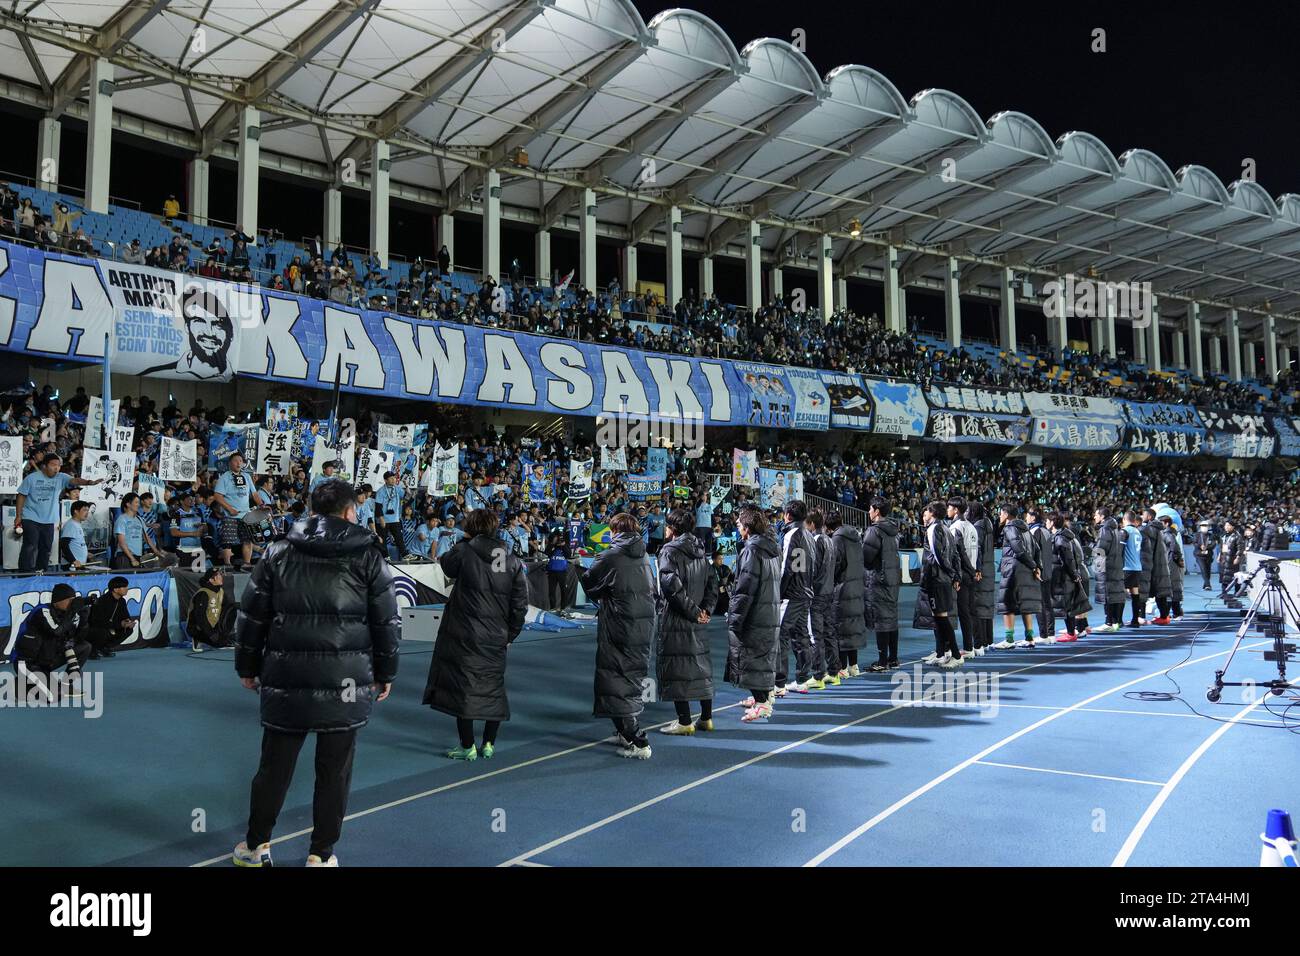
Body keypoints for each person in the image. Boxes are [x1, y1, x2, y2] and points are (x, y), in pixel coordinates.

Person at [233, 478, 400, 868]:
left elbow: (251, 616)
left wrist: (247, 666)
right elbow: (387, 622)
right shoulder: (370, 557)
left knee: (273, 768)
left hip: (286, 678)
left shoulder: (276, 552)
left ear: (312, 510)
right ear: (349, 512)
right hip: (347, 681)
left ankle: (257, 846)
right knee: (335, 773)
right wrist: (386, 671)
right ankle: (320, 854)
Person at [423, 508, 529, 761]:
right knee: (493, 687)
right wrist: (510, 635)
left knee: (465, 687)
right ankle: (489, 743)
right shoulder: (512, 559)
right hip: (496, 634)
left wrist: (465, 540)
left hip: (465, 631)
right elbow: (520, 605)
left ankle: (468, 745)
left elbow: (447, 565)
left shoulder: (465, 550)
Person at [580, 512, 655, 759]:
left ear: (615, 531)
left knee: (615, 679)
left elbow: (590, 582)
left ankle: (638, 740)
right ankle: (624, 732)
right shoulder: (643, 555)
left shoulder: (611, 555)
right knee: (630, 677)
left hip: (618, 625)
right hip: (643, 626)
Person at [656, 507, 718, 734]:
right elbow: (713, 583)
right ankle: (706, 718)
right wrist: (706, 611)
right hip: (698, 620)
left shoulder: (669, 551)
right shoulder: (701, 550)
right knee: (701, 667)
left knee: (677, 668)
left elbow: (672, 587)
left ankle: (684, 721)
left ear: (672, 528)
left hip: (677, 619)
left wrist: (693, 611)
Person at [725, 506, 782, 722]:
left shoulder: (751, 550)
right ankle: (764, 696)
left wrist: (735, 617)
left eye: (739, 523)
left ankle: (762, 704)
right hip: (769, 610)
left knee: (750, 657)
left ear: (747, 527)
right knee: (762, 656)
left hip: (756, 613)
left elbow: (745, 589)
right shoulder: (772, 548)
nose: (737, 526)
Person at [15, 453, 100, 571]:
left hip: (49, 519)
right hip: (30, 517)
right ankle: (24, 572)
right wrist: (18, 515)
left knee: (46, 548)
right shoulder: (32, 478)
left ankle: (41, 571)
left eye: (59, 465)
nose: (56, 468)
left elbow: (75, 480)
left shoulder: (61, 477)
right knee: (31, 545)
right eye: (53, 465)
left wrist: (89, 482)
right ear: (44, 465)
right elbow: (21, 496)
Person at [12, 583, 89, 699]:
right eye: (69, 600)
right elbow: (56, 631)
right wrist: (72, 613)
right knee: (54, 696)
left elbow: (75, 640)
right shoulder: (42, 611)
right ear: (57, 600)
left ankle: (65, 685)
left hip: (46, 661)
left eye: (74, 600)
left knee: (85, 647)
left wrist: (83, 619)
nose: (72, 604)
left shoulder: (66, 614)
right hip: (26, 663)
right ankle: (21, 685)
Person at [777, 499, 818, 693]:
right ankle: (802, 679)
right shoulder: (810, 536)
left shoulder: (791, 534)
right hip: (806, 591)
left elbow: (787, 567)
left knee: (780, 635)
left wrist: (779, 592)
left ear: (788, 515)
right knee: (800, 635)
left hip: (792, 593)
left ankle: (779, 683)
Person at [917, 501, 962, 668]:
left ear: (933, 513)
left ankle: (956, 655)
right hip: (943, 579)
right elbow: (955, 554)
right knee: (939, 618)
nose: (924, 515)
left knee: (942, 619)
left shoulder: (933, 529)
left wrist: (951, 573)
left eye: (926, 512)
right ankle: (944, 653)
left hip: (937, 578)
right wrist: (956, 576)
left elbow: (937, 555)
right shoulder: (946, 528)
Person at [994, 504, 1042, 648]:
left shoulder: (1010, 528)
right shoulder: (1026, 528)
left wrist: (1034, 566)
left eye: (1001, 513)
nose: (999, 516)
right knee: (1025, 603)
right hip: (1027, 569)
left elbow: (1018, 550)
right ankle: (1029, 638)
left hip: (1013, 569)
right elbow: (1037, 548)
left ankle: (1009, 640)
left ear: (1007, 514)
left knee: (1007, 603)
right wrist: (1036, 566)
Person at [825, 511, 865, 679]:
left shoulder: (837, 539)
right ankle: (853, 665)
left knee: (840, 627)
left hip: (842, 587)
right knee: (852, 626)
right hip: (857, 584)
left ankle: (841, 667)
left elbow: (837, 563)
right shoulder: (855, 536)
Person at [863, 496, 901, 672]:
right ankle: (893, 658)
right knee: (891, 618)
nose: (869, 511)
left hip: (879, 579)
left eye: (871, 509)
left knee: (881, 621)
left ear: (877, 511)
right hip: (892, 578)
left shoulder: (874, 531)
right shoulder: (893, 531)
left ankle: (882, 661)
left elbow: (867, 557)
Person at [805, 508, 836, 684]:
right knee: (829, 632)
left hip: (817, 594)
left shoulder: (816, 541)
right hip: (829, 591)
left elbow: (815, 569)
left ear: (811, 524)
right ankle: (834, 672)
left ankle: (818, 675)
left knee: (816, 635)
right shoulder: (829, 540)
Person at [1050, 512, 1092, 642]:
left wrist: (1074, 574)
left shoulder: (1062, 539)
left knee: (1069, 603)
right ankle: (1083, 627)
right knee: (1078, 602)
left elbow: (1068, 560)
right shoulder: (1072, 538)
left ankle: (1076, 630)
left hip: (1073, 573)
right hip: (1080, 571)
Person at [947, 496, 980, 657]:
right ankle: (972, 645)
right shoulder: (971, 527)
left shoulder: (956, 527)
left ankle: (968, 647)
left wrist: (967, 571)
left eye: (950, 507)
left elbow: (959, 552)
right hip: (971, 573)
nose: (948, 510)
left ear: (956, 510)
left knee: (963, 612)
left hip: (964, 574)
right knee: (969, 610)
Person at [213, 452, 255, 567]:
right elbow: (217, 496)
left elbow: (254, 494)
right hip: (229, 515)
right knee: (227, 542)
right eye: (236, 460)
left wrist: (261, 505)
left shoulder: (247, 476)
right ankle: (227, 565)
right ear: (230, 463)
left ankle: (247, 563)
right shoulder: (224, 477)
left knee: (248, 540)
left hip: (246, 515)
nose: (239, 463)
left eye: (241, 461)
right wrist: (229, 508)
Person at [968, 501, 996, 654]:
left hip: (981, 570)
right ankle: (987, 640)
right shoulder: (988, 524)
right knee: (986, 606)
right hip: (989, 568)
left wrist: (976, 568)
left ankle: (978, 643)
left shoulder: (978, 526)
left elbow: (976, 548)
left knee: (977, 606)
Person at [1026, 505, 1057, 645]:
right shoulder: (1045, 530)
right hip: (1048, 571)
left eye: (1028, 515)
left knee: (1040, 604)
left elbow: (1033, 553)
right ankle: (1051, 634)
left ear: (1033, 517)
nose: (1026, 517)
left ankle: (1043, 634)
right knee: (1047, 603)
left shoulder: (1034, 531)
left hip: (1039, 572)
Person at [1092, 507, 1127, 632]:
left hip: (1108, 566)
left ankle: (1109, 622)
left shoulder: (1105, 529)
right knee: (1115, 593)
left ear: (1102, 516)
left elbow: (1101, 549)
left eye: (1096, 515)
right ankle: (1116, 621)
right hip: (1116, 564)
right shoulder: (1115, 529)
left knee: (1108, 594)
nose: (1094, 517)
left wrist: (1098, 567)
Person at [85, 576, 134, 659]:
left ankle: (104, 648)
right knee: (102, 632)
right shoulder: (101, 601)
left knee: (128, 630)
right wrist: (120, 624)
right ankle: (93, 650)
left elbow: (125, 616)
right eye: (124, 587)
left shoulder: (122, 601)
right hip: (95, 629)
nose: (127, 589)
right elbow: (96, 622)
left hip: (112, 626)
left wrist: (128, 622)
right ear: (115, 589)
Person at [188, 568, 237, 650]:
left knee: (232, 609)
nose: (221, 577)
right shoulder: (203, 593)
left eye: (220, 574)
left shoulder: (220, 591)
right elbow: (200, 617)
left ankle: (222, 637)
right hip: (199, 628)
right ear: (211, 580)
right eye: (218, 575)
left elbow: (228, 608)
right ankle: (197, 638)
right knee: (219, 643)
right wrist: (211, 634)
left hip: (214, 626)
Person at [1143, 508, 1173, 625]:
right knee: (1161, 592)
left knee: (1158, 593)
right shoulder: (1159, 529)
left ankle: (1164, 616)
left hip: (1155, 565)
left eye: (1144, 514)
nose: (1142, 516)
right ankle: (1164, 616)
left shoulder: (1150, 529)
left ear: (1149, 517)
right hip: (1160, 563)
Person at [1121, 510, 1146, 627]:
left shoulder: (1125, 531)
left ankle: (1117, 621)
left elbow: (1120, 550)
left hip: (1127, 567)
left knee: (1119, 593)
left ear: (1124, 520)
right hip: (1137, 566)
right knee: (1135, 593)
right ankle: (1135, 620)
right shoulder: (1137, 532)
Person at [1160, 516, 1186, 622]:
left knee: (1171, 588)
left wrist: (1177, 559)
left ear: (1166, 523)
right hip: (1171, 563)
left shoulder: (1168, 534)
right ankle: (1175, 612)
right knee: (1173, 588)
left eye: (1161, 522)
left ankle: (1175, 612)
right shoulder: (1169, 534)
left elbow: (1174, 547)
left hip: (1171, 564)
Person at [59, 499, 92, 568]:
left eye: (87, 510)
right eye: (84, 510)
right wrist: (73, 560)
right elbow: (63, 545)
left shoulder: (77, 524)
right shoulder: (71, 525)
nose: (87, 513)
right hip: (71, 566)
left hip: (78, 565)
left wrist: (86, 553)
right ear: (76, 511)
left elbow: (76, 544)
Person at [1219, 519, 1243, 595]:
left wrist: (1238, 557)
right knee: (1223, 575)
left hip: (1232, 558)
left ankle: (1237, 591)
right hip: (1224, 558)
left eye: (1228, 525)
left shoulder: (1237, 536)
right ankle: (1223, 592)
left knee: (1235, 576)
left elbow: (1240, 548)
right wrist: (1220, 555)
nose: (1226, 527)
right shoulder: (1223, 535)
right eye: (1225, 525)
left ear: (1233, 527)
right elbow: (1222, 547)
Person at [1193, 520, 1216, 590]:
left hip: (1208, 555)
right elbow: (1194, 543)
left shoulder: (1211, 535)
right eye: (1203, 526)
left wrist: (1207, 547)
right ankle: (1208, 585)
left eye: (1206, 526)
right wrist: (1200, 546)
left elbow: (1213, 544)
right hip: (1199, 555)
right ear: (1200, 527)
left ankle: (1205, 583)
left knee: (1208, 570)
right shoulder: (1197, 535)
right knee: (1203, 569)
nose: (1204, 527)